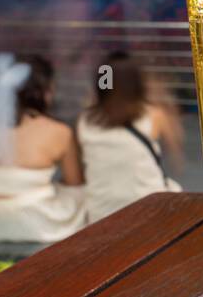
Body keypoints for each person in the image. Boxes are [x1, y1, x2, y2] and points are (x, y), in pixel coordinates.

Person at [0, 53, 86, 243]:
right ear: (45, 90)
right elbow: (75, 183)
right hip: (32, 223)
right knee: (80, 195)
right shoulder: (58, 131)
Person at [77, 51, 184, 223]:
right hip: (148, 212)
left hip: (101, 215)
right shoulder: (154, 115)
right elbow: (177, 159)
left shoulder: (85, 121)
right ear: (137, 83)